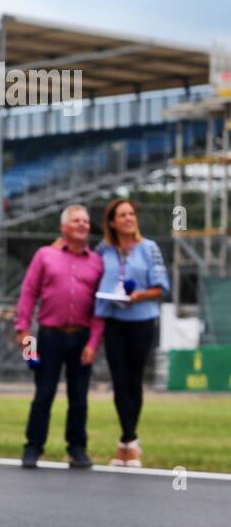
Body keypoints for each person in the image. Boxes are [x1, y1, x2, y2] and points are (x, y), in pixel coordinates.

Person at [14, 204, 104, 470]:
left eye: (86, 221)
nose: (82, 225)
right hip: (49, 336)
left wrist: (93, 342)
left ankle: (77, 449)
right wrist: (23, 330)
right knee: (44, 394)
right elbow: (29, 292)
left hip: (81, 337)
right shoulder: (45, 255)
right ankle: (33, 447)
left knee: (79, 398)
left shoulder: (97, 263)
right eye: (76, 220)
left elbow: (100, 308)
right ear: (64, 227)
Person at [94, 198, 169, 467]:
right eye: (122, 215)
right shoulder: (104, 249)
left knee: (134, 380)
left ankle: (128, 443)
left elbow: (162, 288)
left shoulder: (149, 248)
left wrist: (140, 296)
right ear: (112, 222)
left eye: (131, 214)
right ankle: (129, 441)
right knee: (119, 379)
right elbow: (87, 268)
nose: (128, 218)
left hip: (141, 318)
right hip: (113, 319)